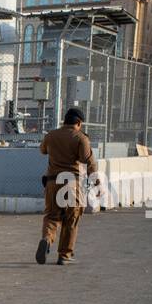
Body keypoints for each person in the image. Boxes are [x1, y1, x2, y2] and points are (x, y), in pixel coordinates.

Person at [35, 107, 98, 266]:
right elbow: (86, 159)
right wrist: (95, 177)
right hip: (71, 182)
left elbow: (42, 150)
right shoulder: (80, 138)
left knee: (51, 215)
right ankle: (64, 255)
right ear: (78, 122)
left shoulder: (51, 135)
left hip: (52, 182)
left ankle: (47, 239)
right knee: (71, 218)